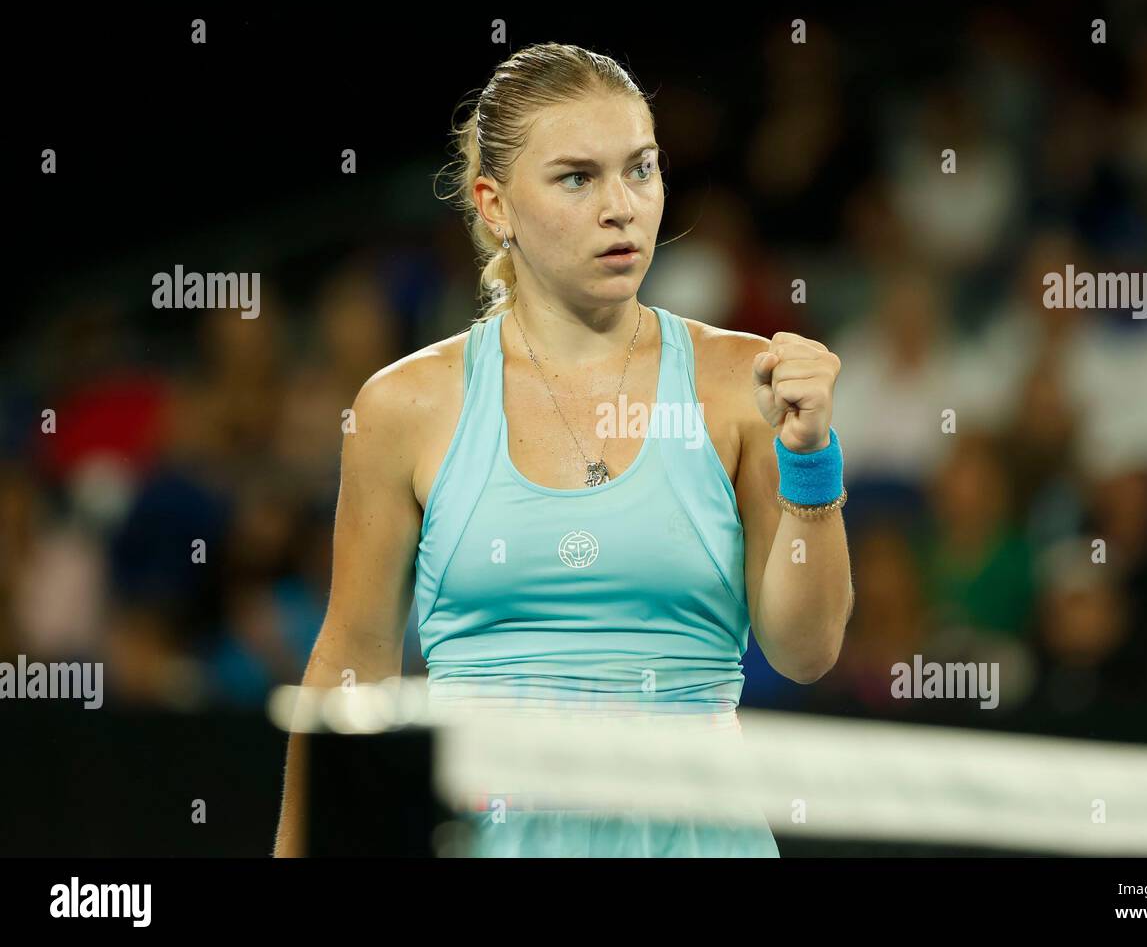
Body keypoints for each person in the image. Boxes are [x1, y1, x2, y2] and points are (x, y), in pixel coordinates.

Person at [273, 42, 853, 857]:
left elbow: (805, 651)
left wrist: (812, 458)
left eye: (641, 170)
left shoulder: (742, 383)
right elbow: (350, 664)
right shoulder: (403, 405)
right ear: (495, 205)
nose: (621, 206)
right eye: (578, 178)